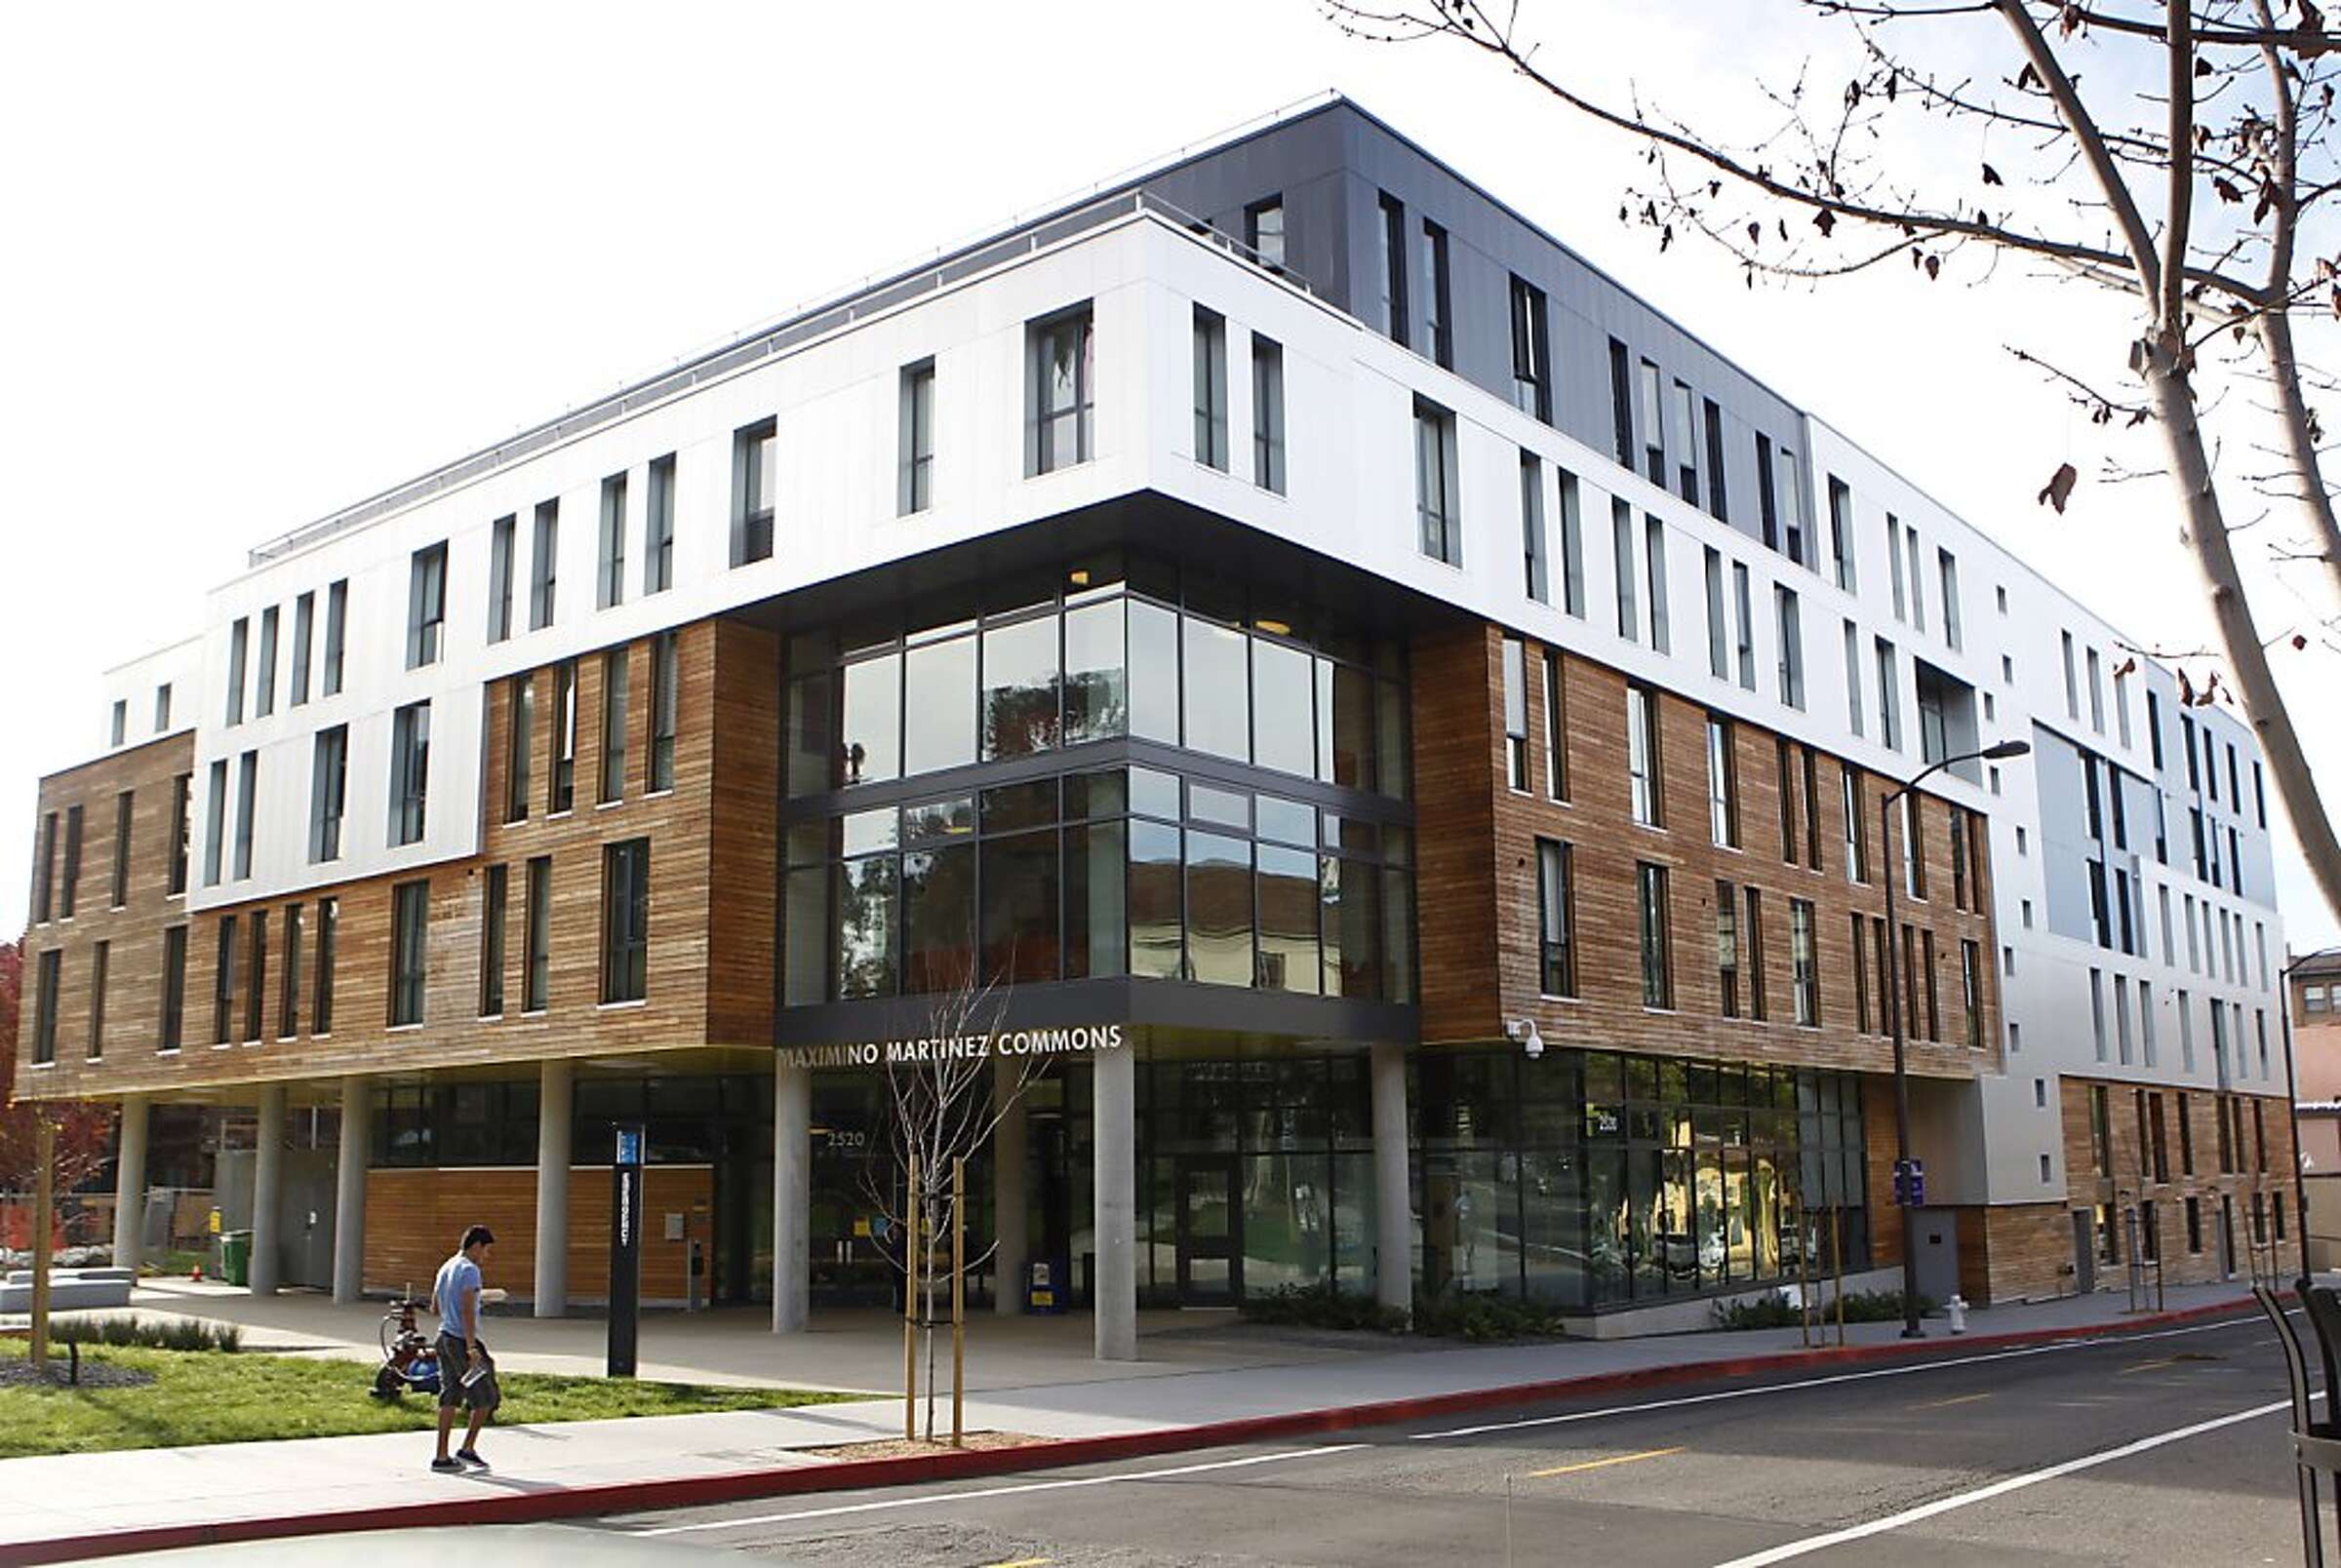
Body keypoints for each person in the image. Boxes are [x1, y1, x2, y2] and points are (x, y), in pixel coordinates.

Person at [429, 1224, 500, 1473]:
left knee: (450, 1395)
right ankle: (467, 1448)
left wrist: (477, 1300)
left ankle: (441, 1456)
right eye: (486, 1250)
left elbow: (435, 1307)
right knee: (486, 1398)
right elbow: (467, 1311)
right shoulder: (470, 1271)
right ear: (477, 1246)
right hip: (462, 1340)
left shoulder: (446, 1266)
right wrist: (471, 1347)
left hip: (444, 1337)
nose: (486, 1256)